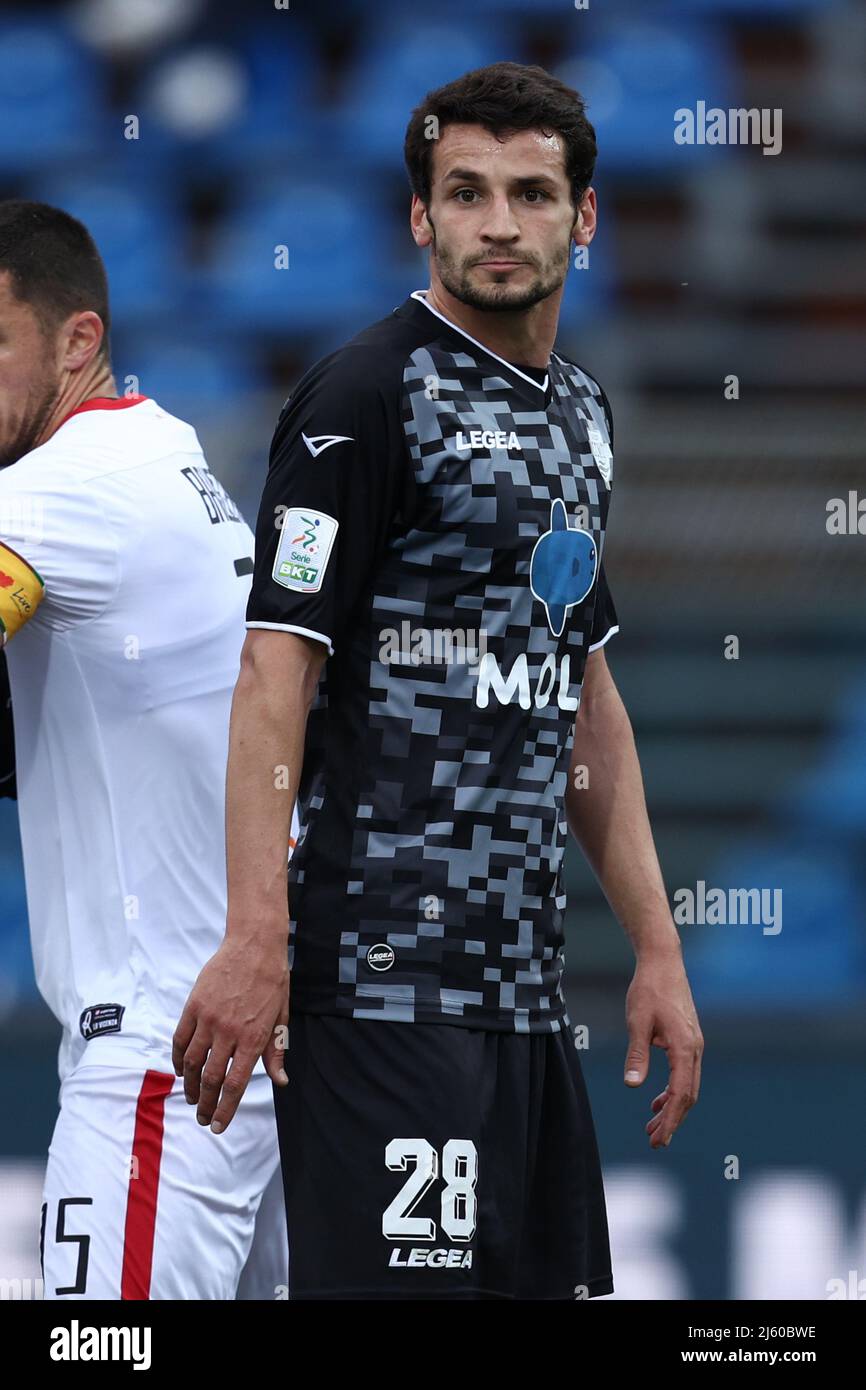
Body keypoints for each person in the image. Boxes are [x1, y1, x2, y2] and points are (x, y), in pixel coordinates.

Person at [176, 62, 704, 1300]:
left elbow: (582, 686)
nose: (498, 224)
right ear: (421, 217)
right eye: (464, 193)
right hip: (377, 986)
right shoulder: (364, 395)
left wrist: (657, 948)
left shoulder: (582, 414)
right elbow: (273, 669)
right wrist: (259, 936)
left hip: (524, 998)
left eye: (530, 193)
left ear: (585, 217)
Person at [0, 200, 289, 1299]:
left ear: (77, 341)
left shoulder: (61, 490)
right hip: (238, 1047)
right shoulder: (162, 454)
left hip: (161, 1065)